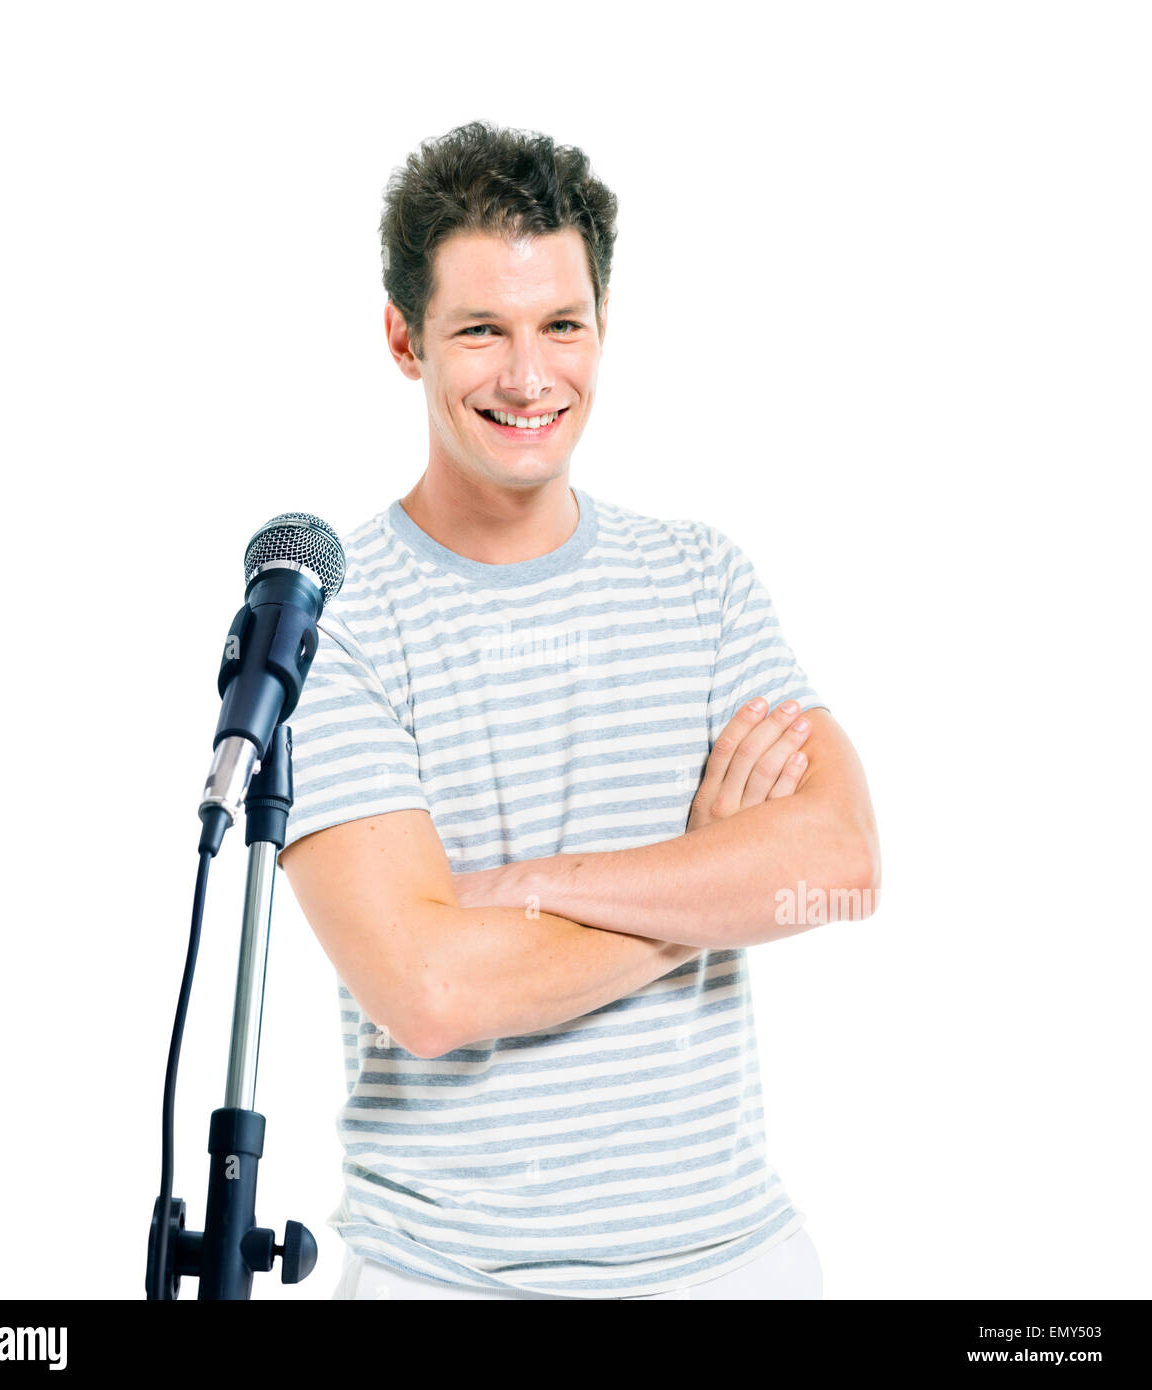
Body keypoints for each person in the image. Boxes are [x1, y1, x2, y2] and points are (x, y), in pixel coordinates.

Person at [279, 120, 880, 1301]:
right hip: (446, 1277)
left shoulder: (699, 578)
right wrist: (712, 881)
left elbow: (841, 863)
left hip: (738, 1264)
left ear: (603, 324)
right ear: (404, 338)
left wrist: (532, 884)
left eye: (562, 323)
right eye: (480, 331)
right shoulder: (334, 620)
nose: (528, 374)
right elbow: (432, 992)